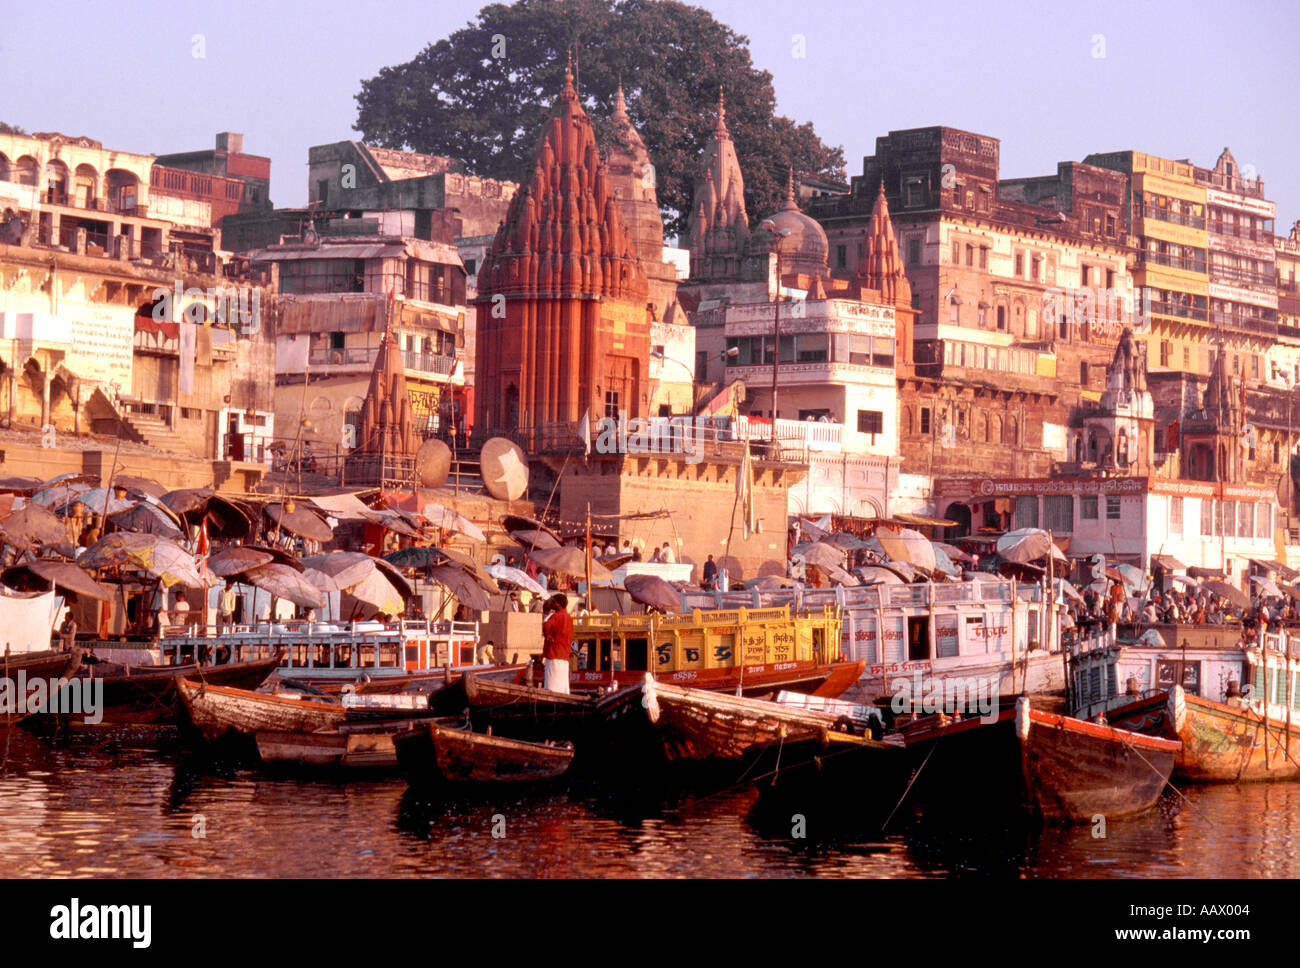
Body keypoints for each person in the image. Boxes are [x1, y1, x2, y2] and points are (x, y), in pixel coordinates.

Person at [541, 594, 573, 694]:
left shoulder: (556, 616)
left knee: (552, 681)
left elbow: (546, 626)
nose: (552, 603)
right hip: (565, 653)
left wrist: (548, 636)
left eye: (554, 601)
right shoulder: (568, 617)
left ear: (558, 604)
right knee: (563, 680)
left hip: (554, 652)